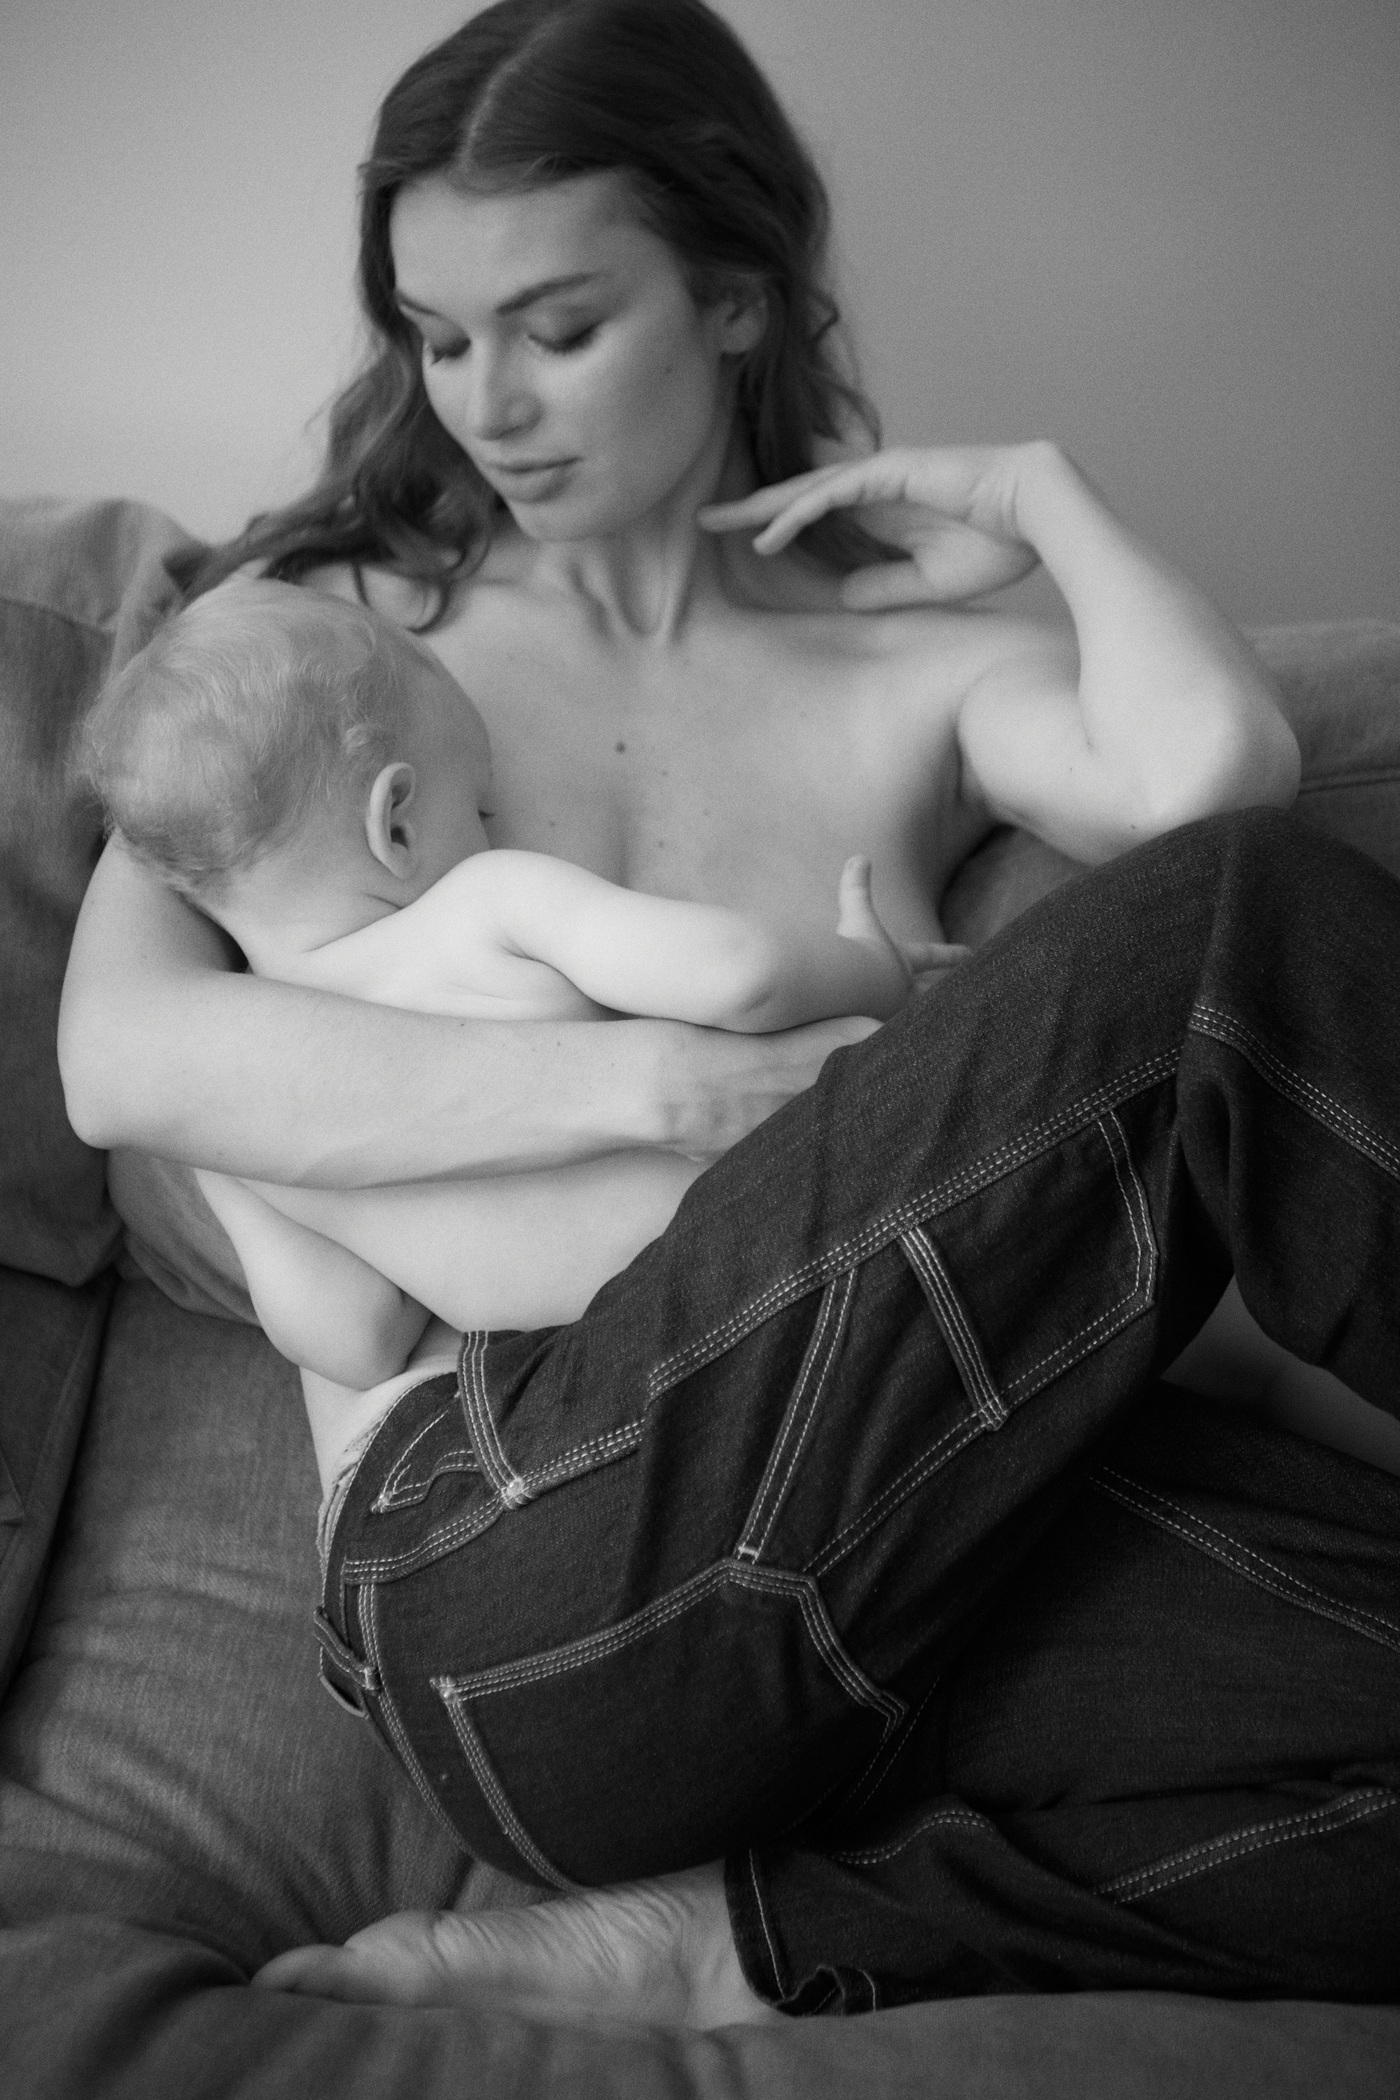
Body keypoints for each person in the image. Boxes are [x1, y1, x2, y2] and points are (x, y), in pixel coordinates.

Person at [55, 0, 1395, 2029]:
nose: (486, 403)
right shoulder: (321, 660)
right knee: (1230, 929)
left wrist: (1046, 505)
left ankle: (751, 1944)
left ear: (738, 298)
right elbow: (123, 1061)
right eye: (436, 336)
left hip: (891, 1530)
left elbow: (1215, 780)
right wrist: (683, 1095)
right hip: (509, 1563)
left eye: (558, 326)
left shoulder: (901, 661)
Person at [80, 576, 950, 1436]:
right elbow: (738, 974)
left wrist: (239, 1175)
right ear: (397, 824)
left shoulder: (242, 1125)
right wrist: (868, 965)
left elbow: (352, 1334)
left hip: (549, 1405)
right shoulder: (485, 905)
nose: (494, 823)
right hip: (748, 1269)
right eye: (482, 801)